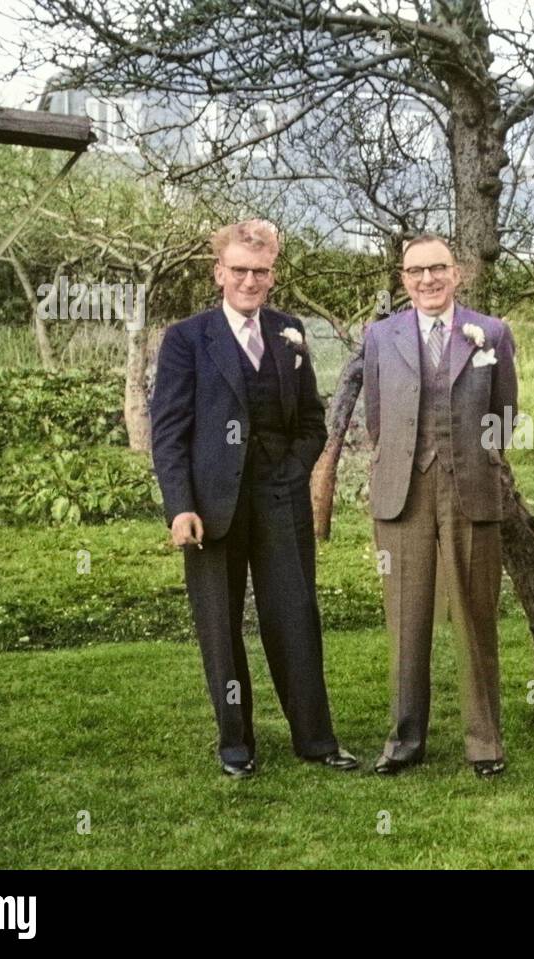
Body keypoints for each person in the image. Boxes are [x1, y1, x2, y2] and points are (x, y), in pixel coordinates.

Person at [150, 219, 357, 778]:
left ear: (272, 275)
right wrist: (180, 506)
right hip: (211, 508)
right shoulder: (187, 339)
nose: (249, 280)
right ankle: (235, 743)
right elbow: (167, 431)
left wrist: (293, 470)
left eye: (260, 272)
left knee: (295, 616)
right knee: (220, 625)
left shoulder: (290, 332)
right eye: (238, 270)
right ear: (219, 272)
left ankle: (316, 739)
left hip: (280, 499)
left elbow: (313, 420)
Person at [362, 233, 518, 778]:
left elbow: (504, 414)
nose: (427, 279)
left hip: (470, 488)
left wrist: (476, 458)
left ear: (458, 274)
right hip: (401, 489)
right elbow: (376, 416)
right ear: (403, 280)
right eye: (415, 271)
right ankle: (406, 740)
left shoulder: (491, 332)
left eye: (437, 269)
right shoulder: (380, 335)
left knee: (475, 617)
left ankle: (484, 743)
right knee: (407, 618)